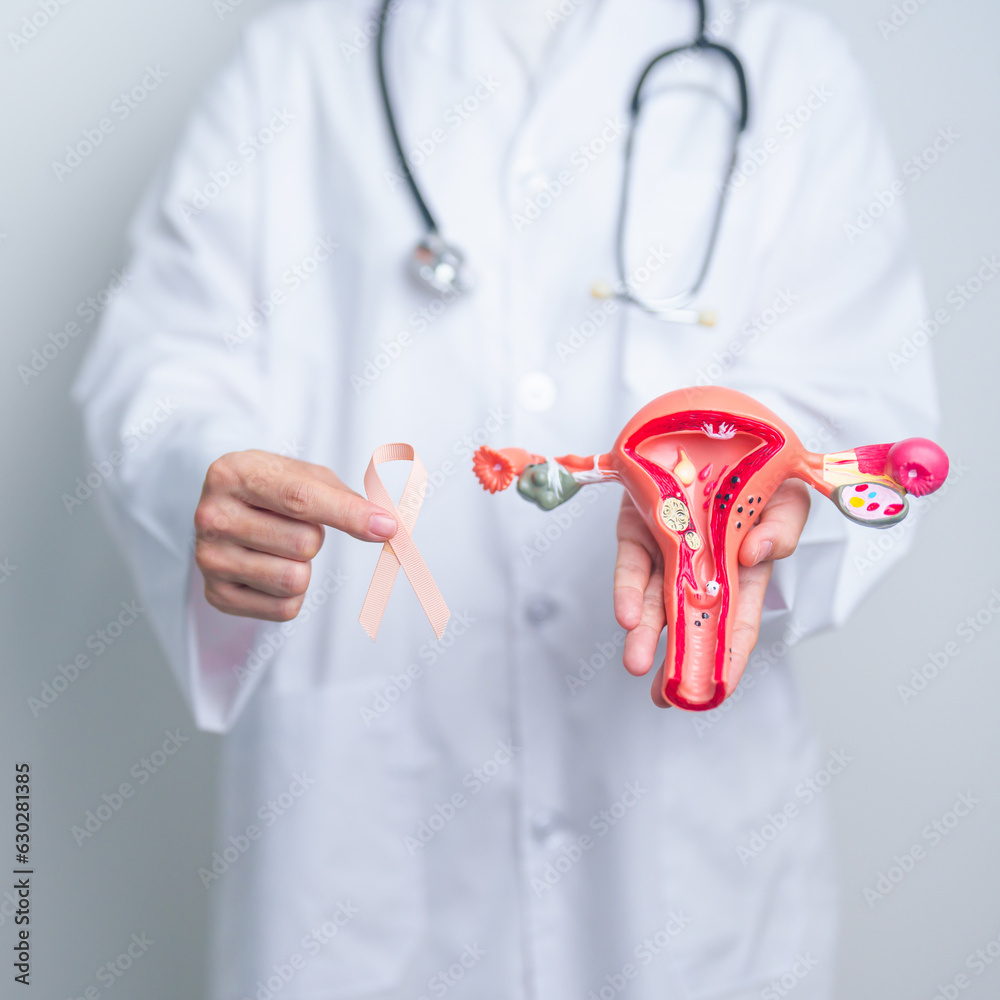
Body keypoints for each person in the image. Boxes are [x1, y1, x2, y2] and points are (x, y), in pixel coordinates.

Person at [73, 0, 939, 997]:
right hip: (365, 829)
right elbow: (160, 364)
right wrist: (207, 477)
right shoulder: (301, 58)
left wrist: (761, 482)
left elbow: (860, 395)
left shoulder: (780, 53)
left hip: (682, 857)